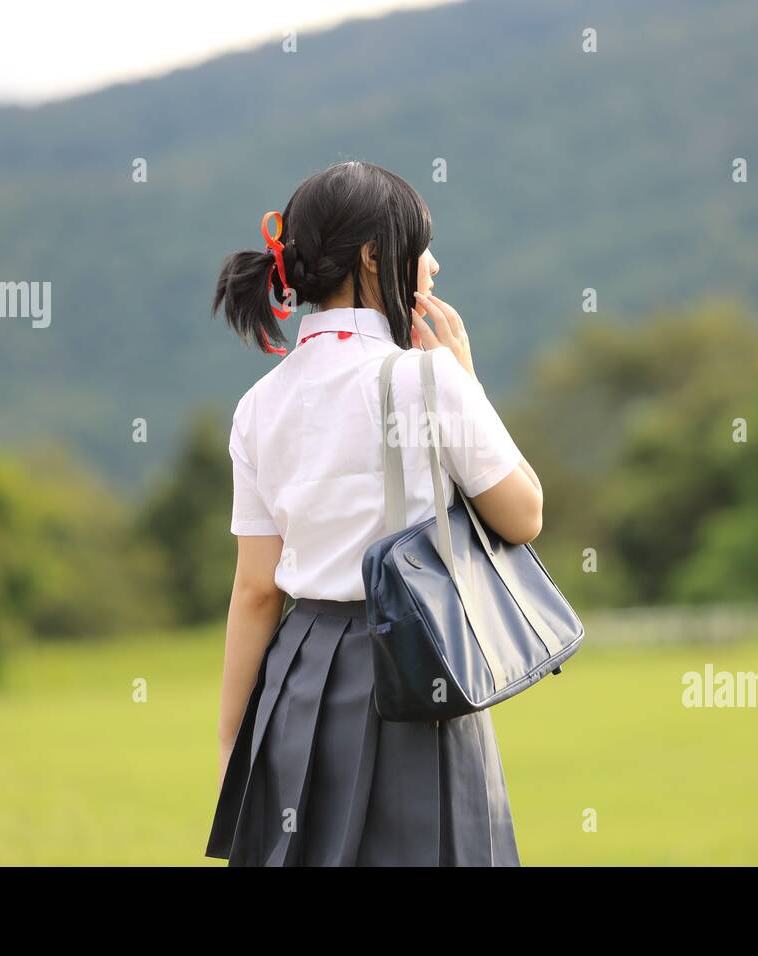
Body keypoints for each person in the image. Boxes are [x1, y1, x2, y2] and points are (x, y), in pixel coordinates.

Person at [203, 160, 543, 866]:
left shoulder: (258, 404)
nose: (434, 265)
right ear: (372, 256)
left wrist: (233, 741)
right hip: (416, 667)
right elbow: (524, 514)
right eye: (420, 248)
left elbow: (257, 590)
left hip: (297, 681)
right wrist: (467, 380)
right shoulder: (429, 379)